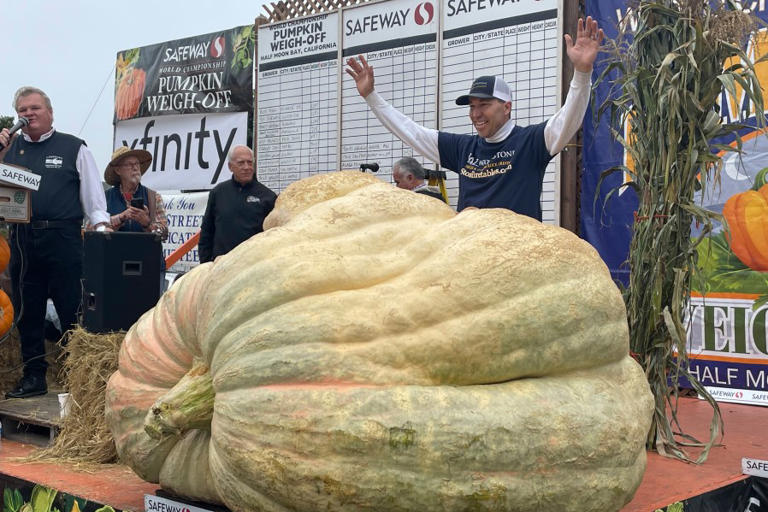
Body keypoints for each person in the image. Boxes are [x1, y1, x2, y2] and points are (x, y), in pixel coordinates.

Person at [345, 16, 604, 220]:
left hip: (517, 262)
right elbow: (409, 130)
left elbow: (569, 118)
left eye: (484, 105)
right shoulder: (462, 148)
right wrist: (371, 97)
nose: (475, 114)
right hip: (470, 263)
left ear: (506, 107)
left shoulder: (531, 142)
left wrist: (582, 72)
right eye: (472, 106)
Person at [0, 86, 111, 399]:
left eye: (34, 108)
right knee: (28, 312)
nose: (28, 114)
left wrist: (100, 229)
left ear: (49, 112)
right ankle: (34, 377)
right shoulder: (11, 149)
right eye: (22, 110)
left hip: (62, 237)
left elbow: (93, 197)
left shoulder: (73, 147)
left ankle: (82, 379)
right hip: (22, 239)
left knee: (71, 309)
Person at [104, 146, 170, 289]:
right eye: (129, 164)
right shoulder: (104, 198)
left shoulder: (153, 197)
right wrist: (121, 217)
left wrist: (146, 223)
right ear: (118, 170)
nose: (135, 168)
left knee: (150, 310)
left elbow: (164, 233)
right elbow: (93, 229)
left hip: (148, 267)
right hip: (113, 266)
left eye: (137, 164)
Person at [199, 145, 277, 263]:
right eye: (241, 163)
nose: (246, 167)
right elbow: (207, 230)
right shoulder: (218, 192)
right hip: (221, 265)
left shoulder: (268, 196)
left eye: (250, 162)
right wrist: (205, 263)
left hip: (253, 265)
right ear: (230, 167)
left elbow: (274, 235)